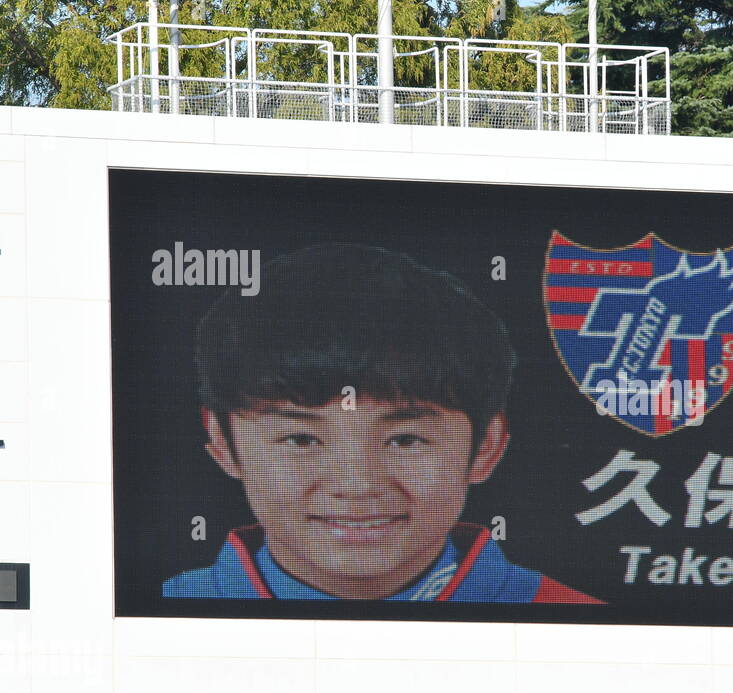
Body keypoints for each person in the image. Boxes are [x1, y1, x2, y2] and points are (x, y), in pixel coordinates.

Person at [163, 244, 600, 604]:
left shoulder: (579, 623)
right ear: (222, 442)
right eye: (301, 439)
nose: (357, 487)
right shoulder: (159, 612)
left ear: (486, 445)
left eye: (405, 440)